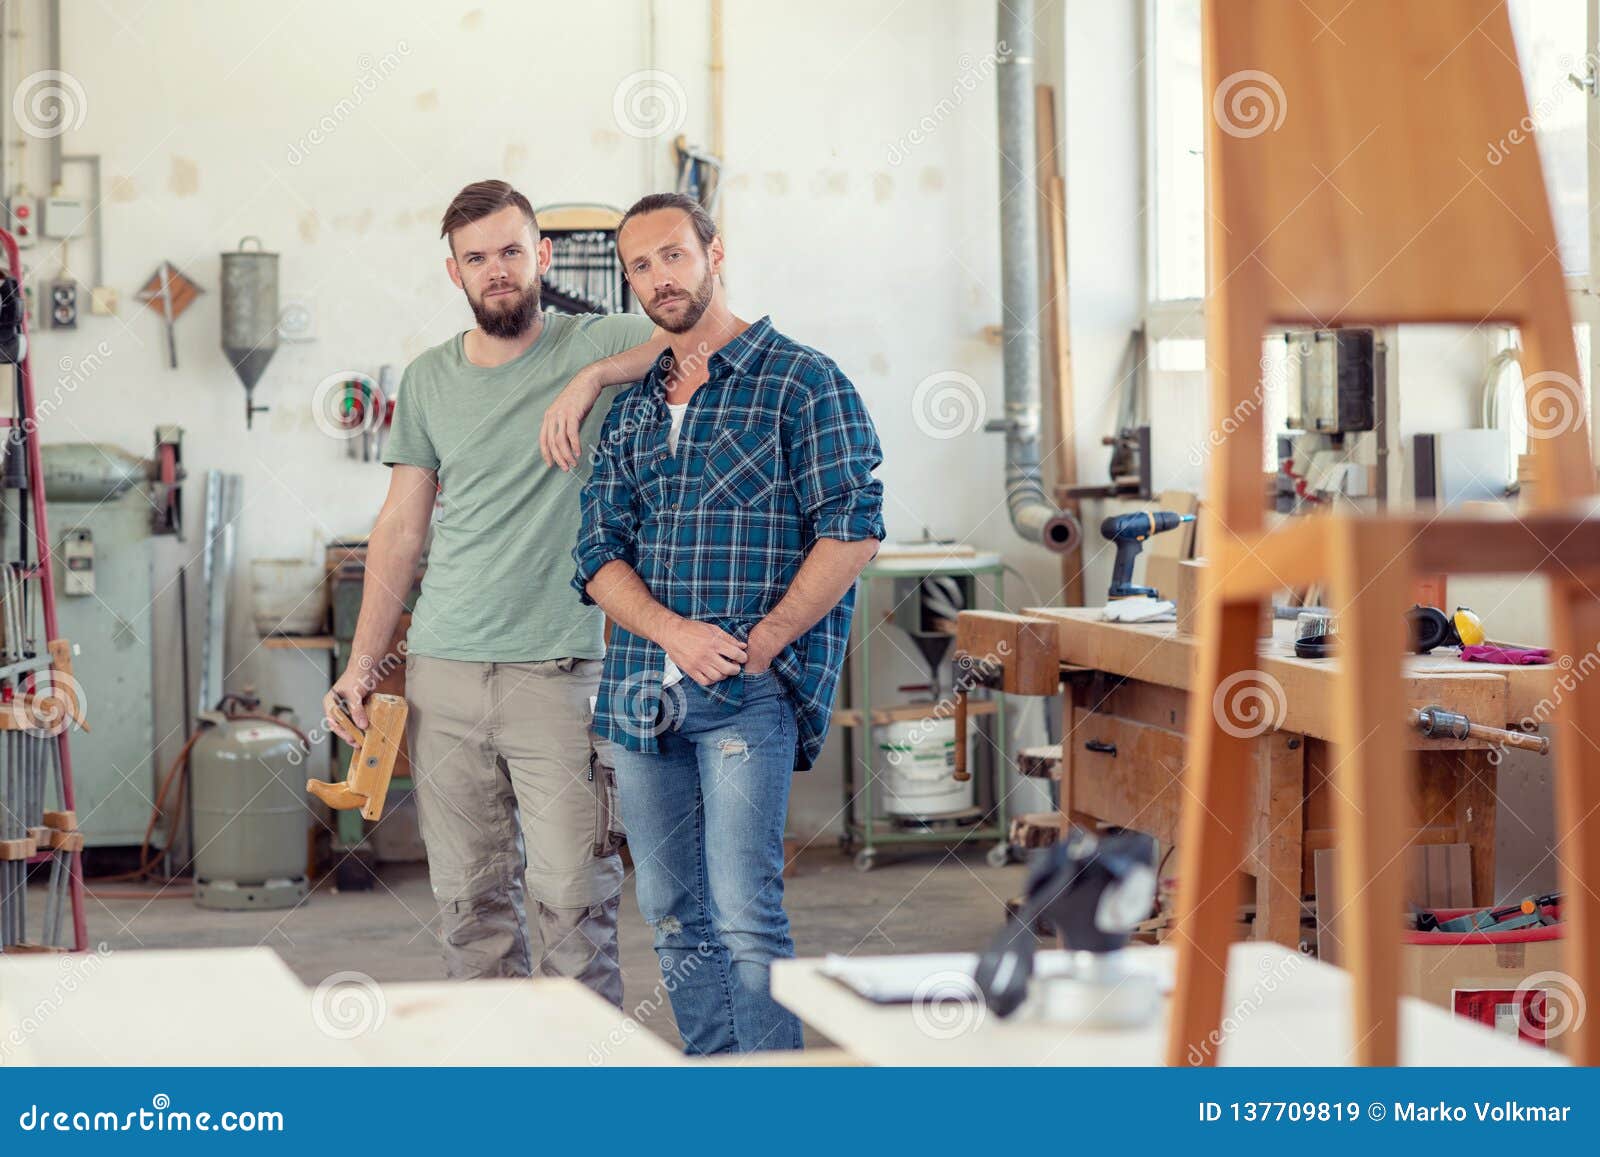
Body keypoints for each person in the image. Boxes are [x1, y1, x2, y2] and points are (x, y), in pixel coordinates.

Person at [324, 179, 663, 1004]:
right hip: (443, 670)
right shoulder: (430, 377)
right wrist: (363, 665)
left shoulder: (597, 341)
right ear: (455, 273)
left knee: (573, 907)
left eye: (512, 251)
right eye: (477, 258)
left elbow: (707, 336)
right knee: (472, 911)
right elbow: (403, 527)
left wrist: (591, 382)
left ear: (541, 255)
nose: (497, 270)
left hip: (558, 673)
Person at [572, 192, 885, 1053]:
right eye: (640, 265)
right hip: (642, 694)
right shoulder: (635, 409)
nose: (658, 277)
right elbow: (596, 551)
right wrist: (671, 633)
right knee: (671, 911)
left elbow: (852, 527)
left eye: (673, 254)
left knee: (747, 911)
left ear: (715, 252)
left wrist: (774, 638)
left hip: (747, 695)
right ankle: (715, 1088)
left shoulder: (802, 381)